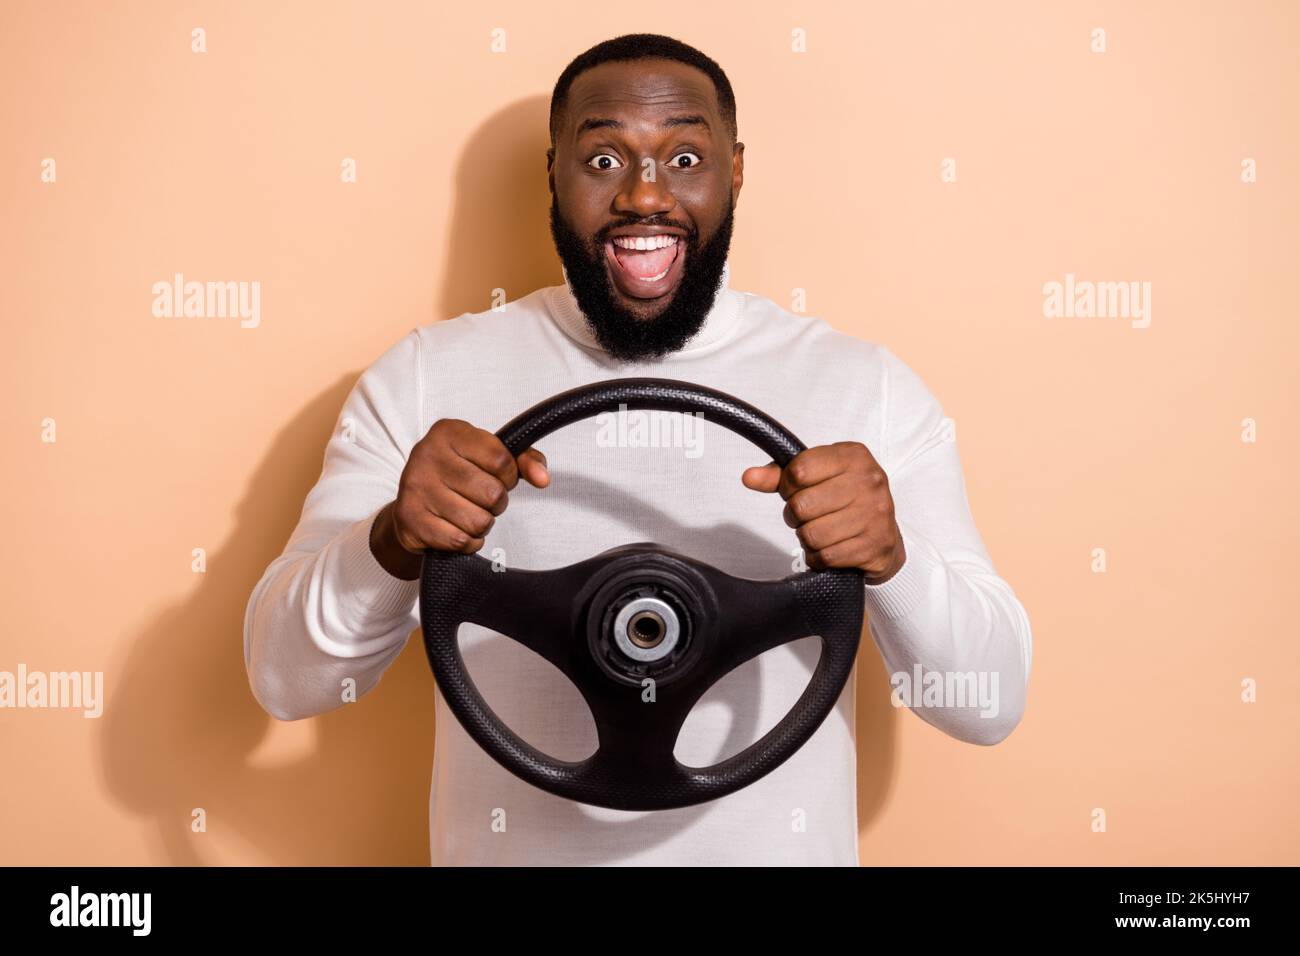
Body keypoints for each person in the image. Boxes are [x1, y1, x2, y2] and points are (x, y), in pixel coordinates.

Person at [243, 33, 1033, 866]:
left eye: (685, 156)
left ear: (735, 170)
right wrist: (392, 539)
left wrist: (894, 561)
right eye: (604, 159)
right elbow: (286, 682)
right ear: (554, 173)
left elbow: (990, 705)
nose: (644, 195)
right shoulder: (424, 379)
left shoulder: (862, 387)